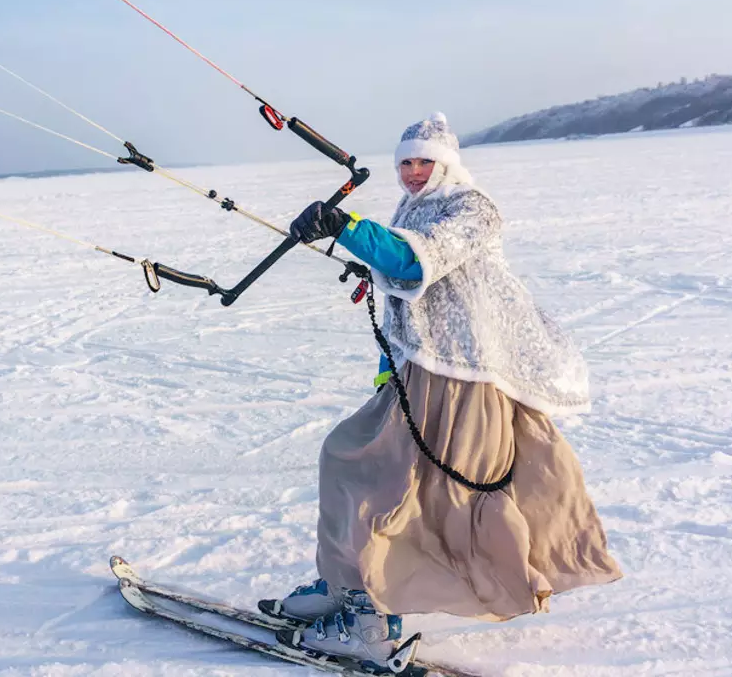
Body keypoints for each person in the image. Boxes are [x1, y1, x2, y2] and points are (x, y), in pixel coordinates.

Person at [263, 113, 622, 668]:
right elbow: (407, 290)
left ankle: (372, 622)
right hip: (419, 370)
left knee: (400, 491)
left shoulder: (472, 209)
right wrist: (390, 362)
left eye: (422, 160)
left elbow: (414, 259)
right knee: (344, 456)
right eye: (405, 162)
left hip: (464, 375)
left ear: (446, 163)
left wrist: (347, 226)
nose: (411, 171)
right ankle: (344, 584)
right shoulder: (415, 206)